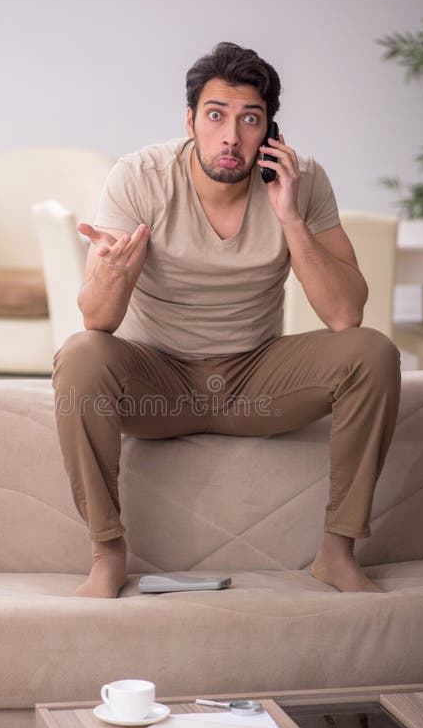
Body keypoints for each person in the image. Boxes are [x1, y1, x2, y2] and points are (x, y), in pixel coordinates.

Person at [51, 41, 401, 599]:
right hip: (156, 381)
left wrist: (289, 217)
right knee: (79, 355)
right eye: (215, 116)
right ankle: (107, 553)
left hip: (255, 382)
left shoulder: (302, 180)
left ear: (270, 131)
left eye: (250, 119)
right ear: (190, 120)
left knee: (373, 351)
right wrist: (115, 273)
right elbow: (97, 319)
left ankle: (337, 552)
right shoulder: (140, 178)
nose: (231, 136)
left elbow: (345, 313)